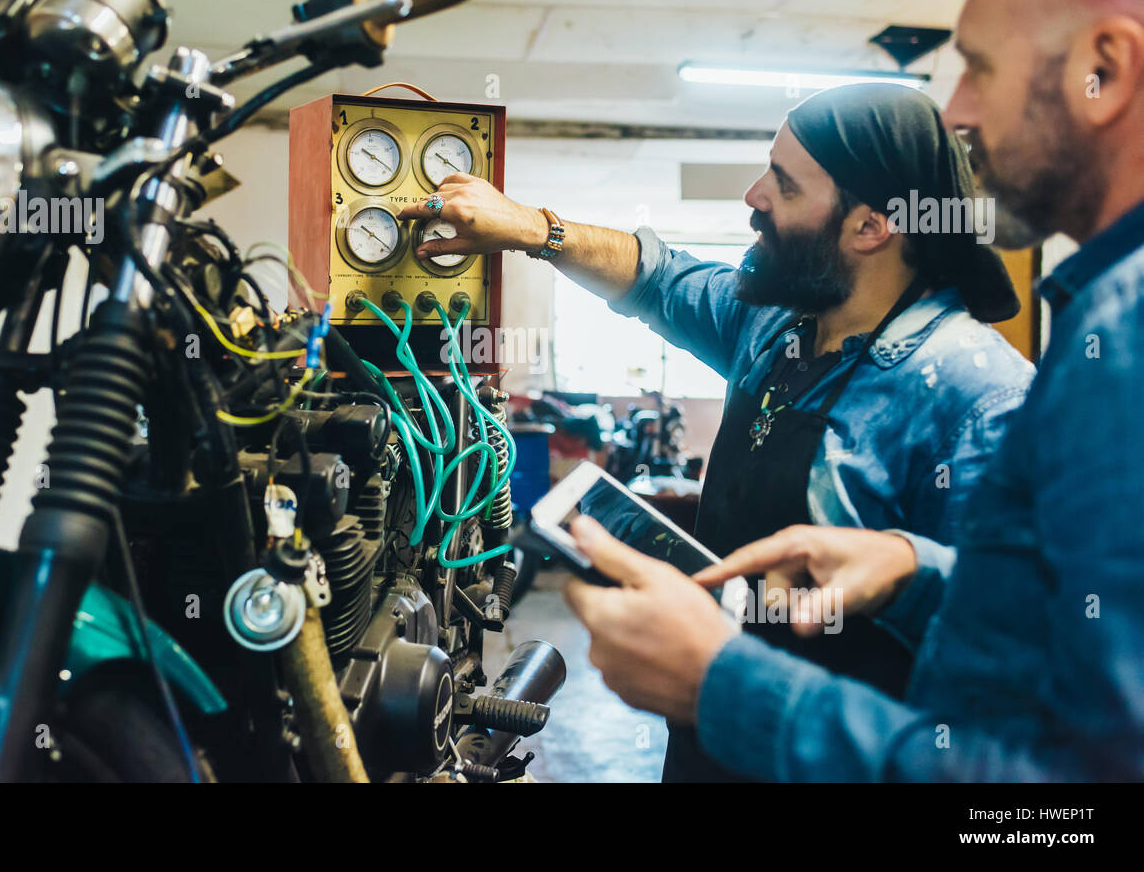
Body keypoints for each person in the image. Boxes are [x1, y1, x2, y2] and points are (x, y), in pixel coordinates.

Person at [560, 0, 1144, 781]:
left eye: (980, 66)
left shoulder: (1018, 381)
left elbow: (1058, 800)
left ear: (1105, 67)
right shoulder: (780, 329)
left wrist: (725, 683)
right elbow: (1030, 639)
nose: (958, 110)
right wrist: (913, 569)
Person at [399, 85, 1033, 781]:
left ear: (871, 227)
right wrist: (530, 228)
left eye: (784, 184)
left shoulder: (980, 398)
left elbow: (1007, 662)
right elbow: (658, 276)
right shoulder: (776, 324)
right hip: (710, 734)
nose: (753, 194)